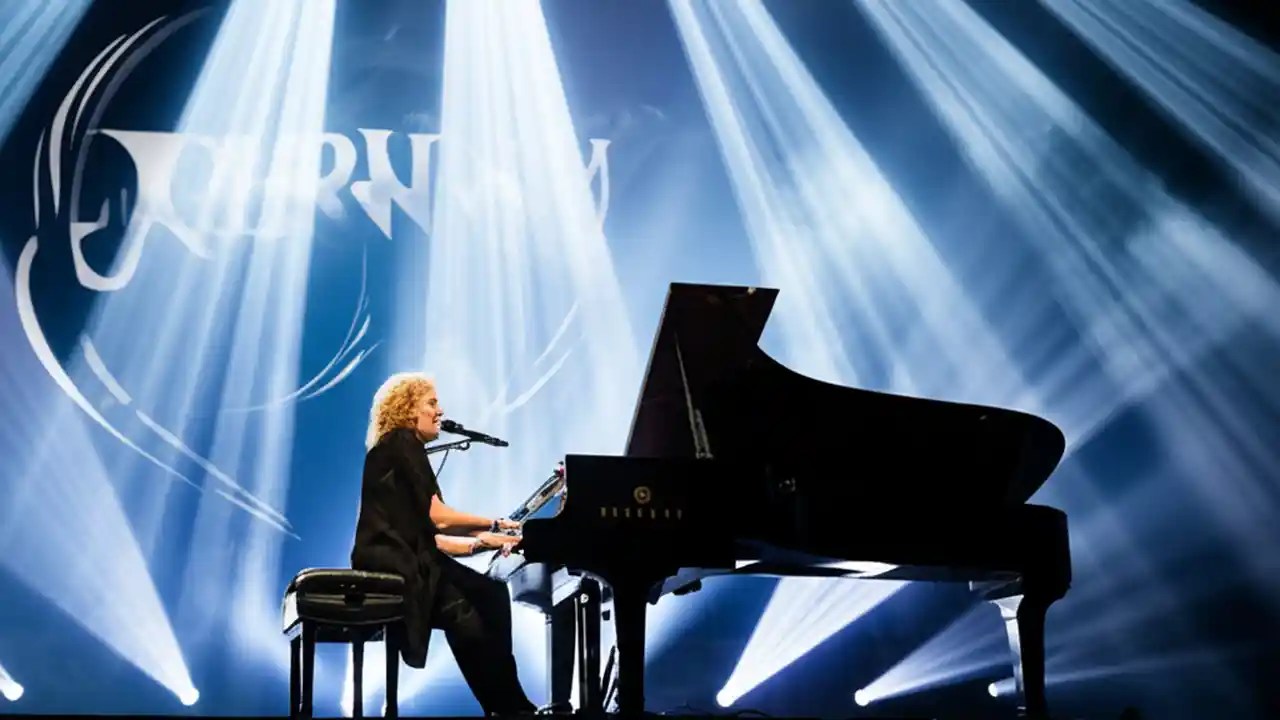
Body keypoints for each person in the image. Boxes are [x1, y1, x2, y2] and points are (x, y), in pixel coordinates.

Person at [351, 371, 536, 715]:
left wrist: (483, 542)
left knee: (487, 595)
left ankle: (506, 705)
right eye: (432, 403)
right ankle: (509, 706)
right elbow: (440, 518)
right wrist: (494, 523)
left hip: (401, 557)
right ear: (408, 409)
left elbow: (431, 535)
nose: (440, 411)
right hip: (394, 564)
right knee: (475, 603)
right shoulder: (402, 442)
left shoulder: (395, 447)